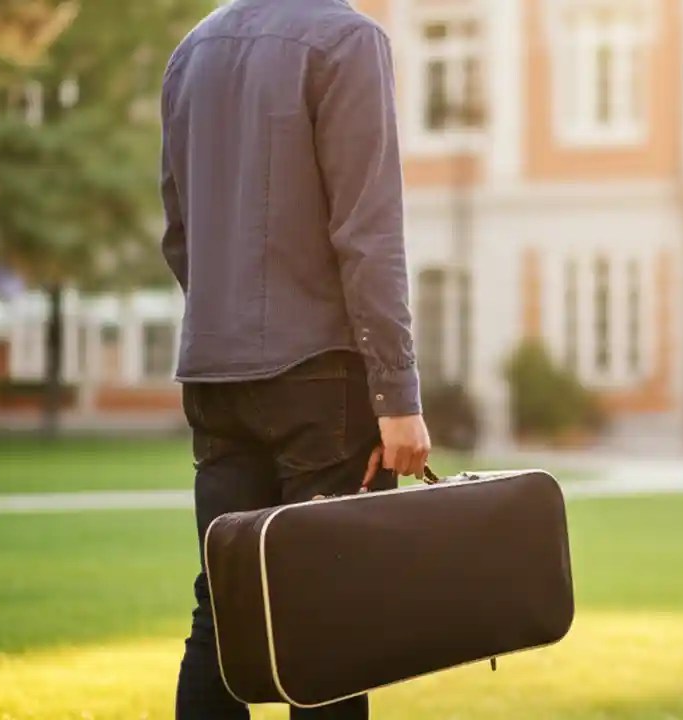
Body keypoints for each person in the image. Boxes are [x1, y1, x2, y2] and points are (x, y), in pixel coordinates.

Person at [159, 0, 430, 717]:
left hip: (215, 374)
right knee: (328, 623)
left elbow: (178, 229)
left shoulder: (192, 51)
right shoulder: (349, 40)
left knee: (226, 610)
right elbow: (369, 235)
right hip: (322, 382)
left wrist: (227, 322)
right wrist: (398, 399)